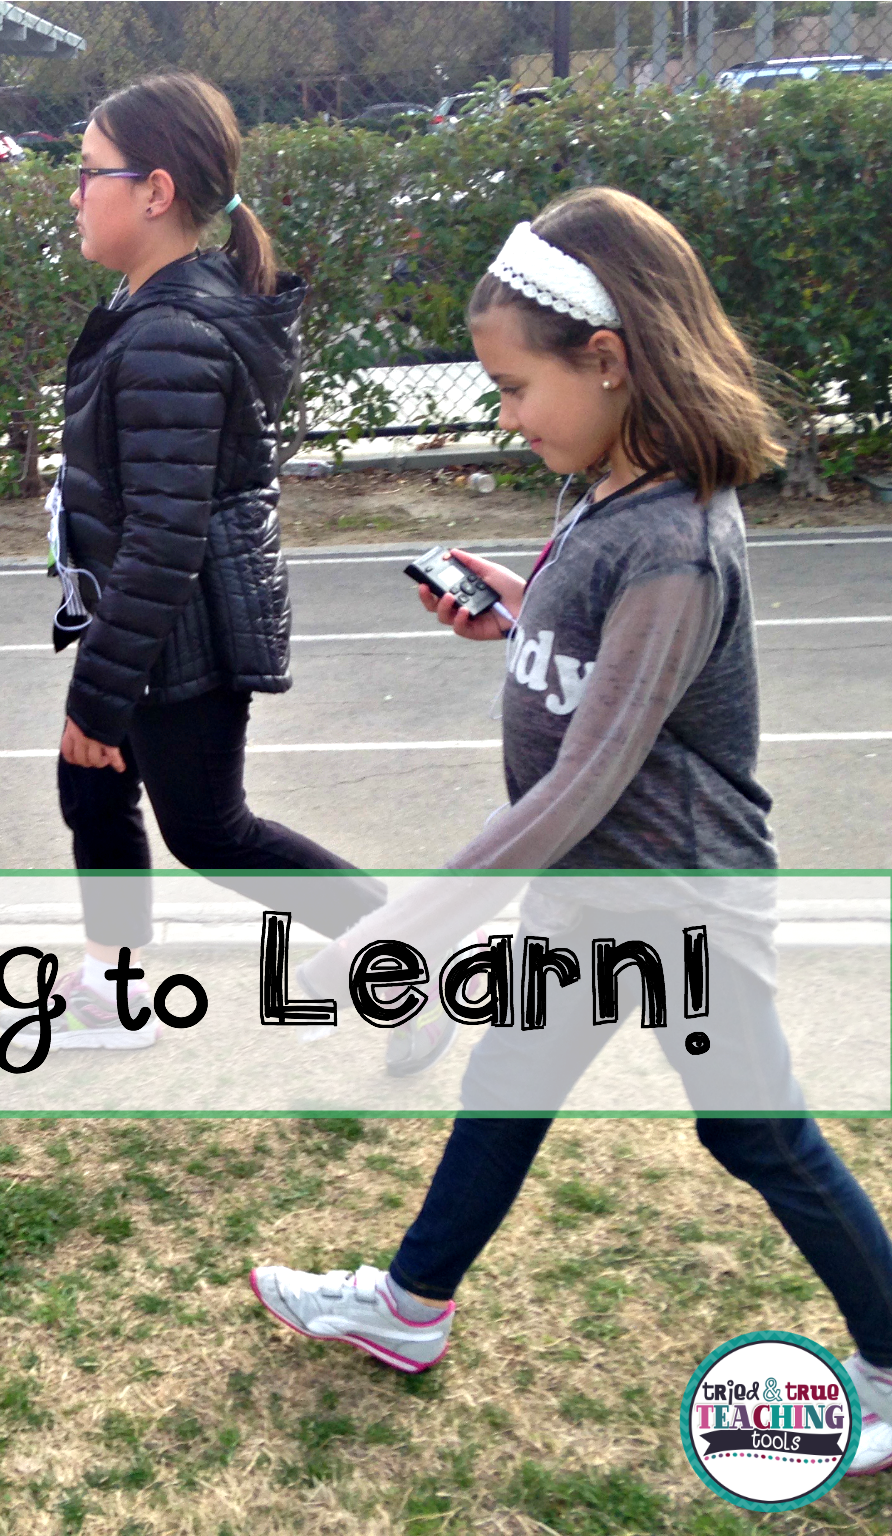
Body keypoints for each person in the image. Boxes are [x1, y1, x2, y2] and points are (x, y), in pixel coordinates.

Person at [250, 187, 892, 1476]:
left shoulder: (675, 541)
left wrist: (395, 930)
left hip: (677, 901)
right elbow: (596, 658)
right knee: (510, 1083)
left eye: (514, 386)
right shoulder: (604, 487)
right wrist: (519, 603)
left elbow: (586, 781)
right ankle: (412, 1308)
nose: (505, 413)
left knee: (753, 1130)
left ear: (609, 362)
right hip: (598, 899)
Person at [29, 72, 391, 1055]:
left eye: (87, 171)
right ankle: (109, 990)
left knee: (209, 829)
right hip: (147, 615)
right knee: (91, 784)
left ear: (155, 192)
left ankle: (395, 949)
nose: (74, 192)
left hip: (176, 622)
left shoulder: (171, 333)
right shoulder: (158, 307)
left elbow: (167, 537)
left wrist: (99, 691)